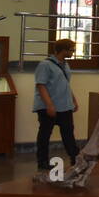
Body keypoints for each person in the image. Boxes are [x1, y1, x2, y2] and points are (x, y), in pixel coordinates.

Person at [34, 38, 79, 174]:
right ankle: (42, 162)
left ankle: (75, 158)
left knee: (68, 132)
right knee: (45, 134)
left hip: (64, 106)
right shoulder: (45, 65)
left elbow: (65, 84)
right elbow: (41, 85)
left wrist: (73, 100)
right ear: (63, 50)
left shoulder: (65, 65)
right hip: (48, 106)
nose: (73, 52)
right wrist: (49, 105)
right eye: (71, 50)